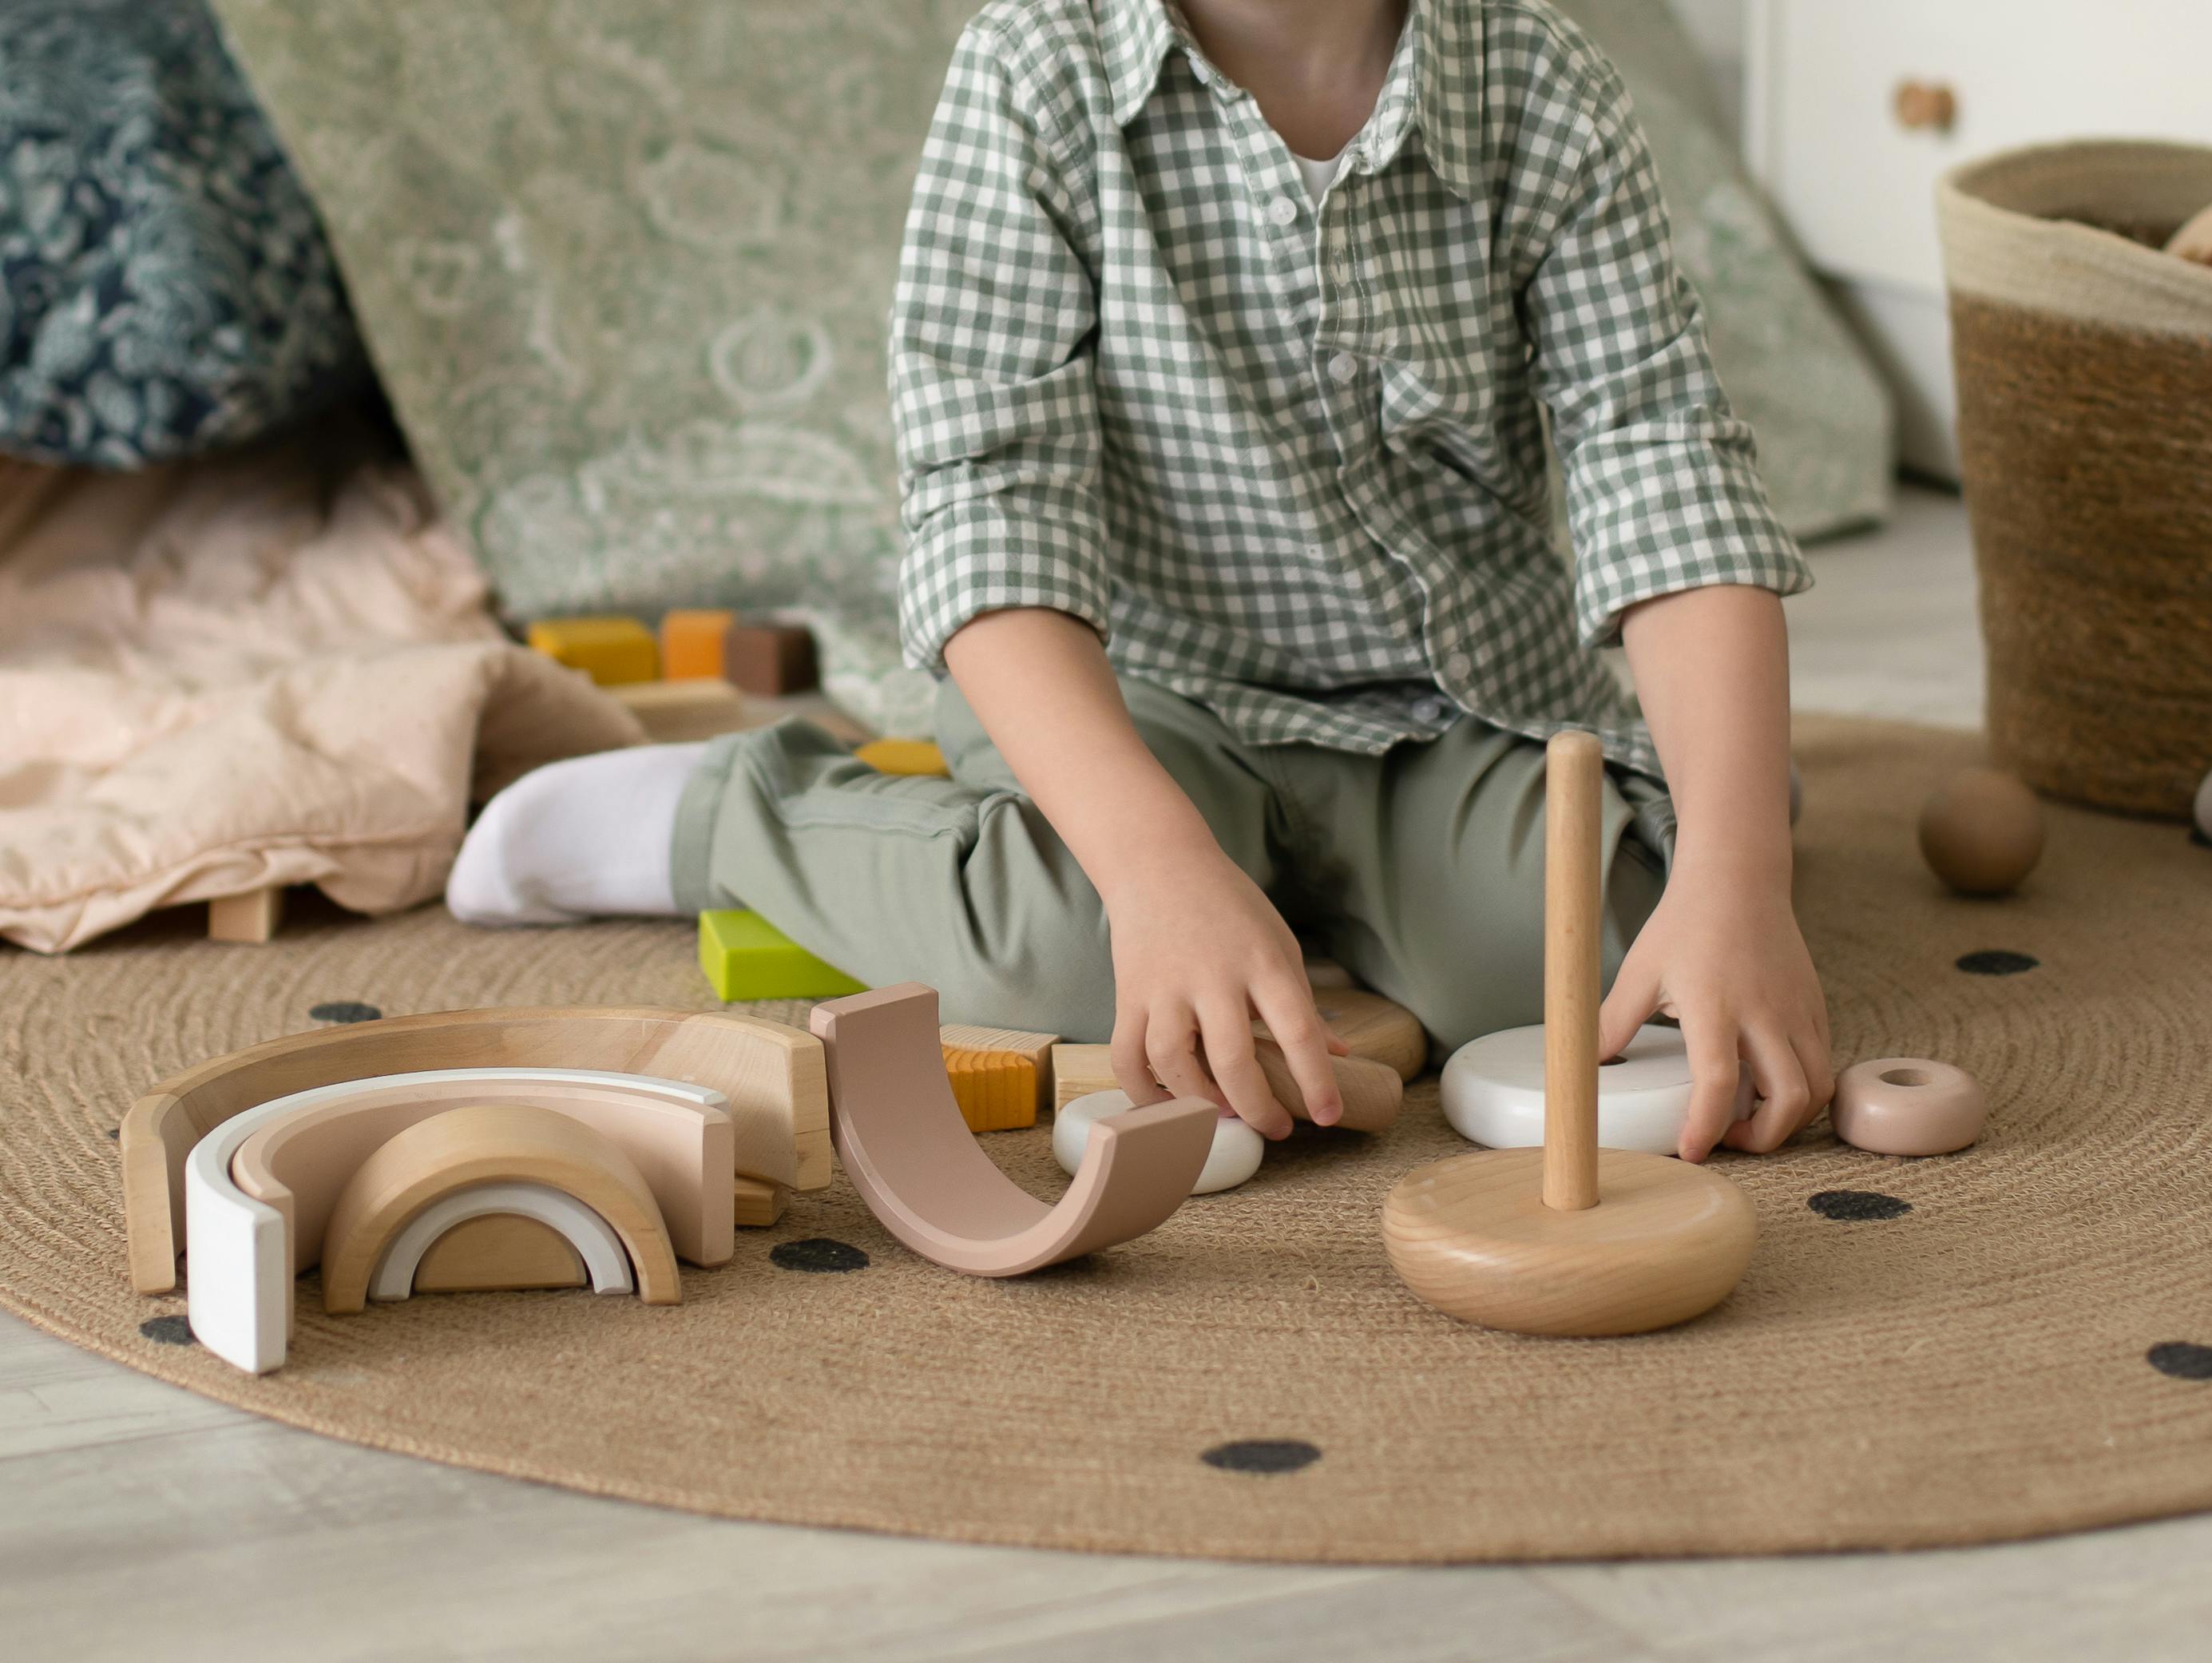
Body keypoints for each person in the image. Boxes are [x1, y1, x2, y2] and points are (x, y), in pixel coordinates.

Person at [448, 0, 1834, 1160]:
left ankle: (1324, 890)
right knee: (1055, 947)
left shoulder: (1540, 82)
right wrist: (1156, 863)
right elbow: (992, 506)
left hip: (1447, 700)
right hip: (1127, 681)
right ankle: (734, 813)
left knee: (1608, 952)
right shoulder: (1034, 71)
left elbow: (1661, 462)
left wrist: (1735, 871)